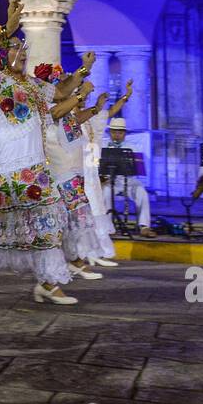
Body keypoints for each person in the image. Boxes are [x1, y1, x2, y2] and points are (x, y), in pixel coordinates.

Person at [0, 6, 75, 305]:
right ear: (2, 52)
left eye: (23, 47)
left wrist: (81, 75)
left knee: (47, 220)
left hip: (34, 165)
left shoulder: (33, 84)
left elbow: (62, 94)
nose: (22, 52)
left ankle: (49, 283)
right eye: (15, 47)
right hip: (1, 165)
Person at [34, 61, 108, 280]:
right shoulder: (45, 103)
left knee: (73, 214)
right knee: (71, 213)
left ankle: (76, 260)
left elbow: (72, 120)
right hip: (58, 166)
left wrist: (95, 109)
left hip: (71, 164)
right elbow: (57, 113)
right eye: (60, 82)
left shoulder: (63, 103)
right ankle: (66, 264)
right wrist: (79, 94)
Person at [81, 80, 131, 265]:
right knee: (86, 212)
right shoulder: (70, 117)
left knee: (96, 209)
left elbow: (109, 113)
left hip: (91, 170)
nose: (84, 98)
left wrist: (125, 96)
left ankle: (97, 250)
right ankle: (87, 252)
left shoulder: (91, 117)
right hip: (77, 171)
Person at [104, 116, 156, 237]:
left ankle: (144, 226)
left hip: (129, 180)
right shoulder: (103, 146)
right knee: (105, 192)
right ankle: (108, 227)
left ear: (124, 133)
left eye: (120, 132)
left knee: (141, 192)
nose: (117, 135)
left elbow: (139, 168)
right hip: (110, 180)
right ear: (109, 132)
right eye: (114, 132)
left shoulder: (134, 147)